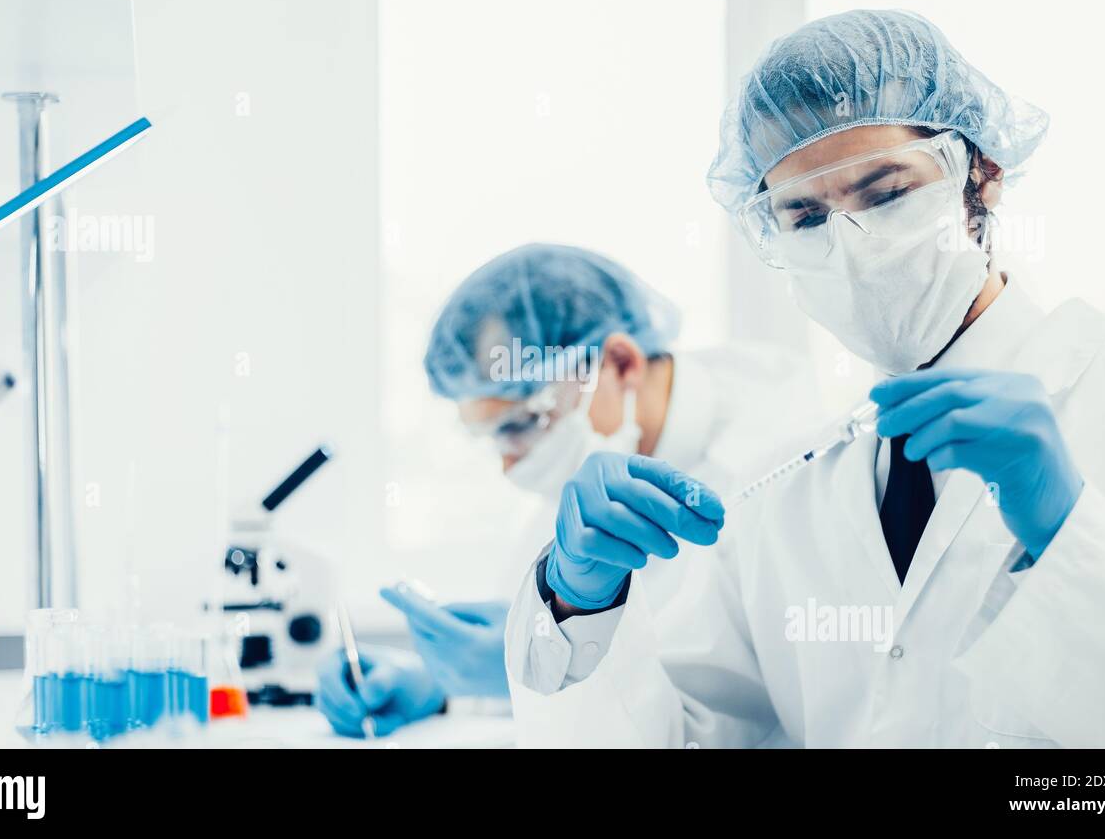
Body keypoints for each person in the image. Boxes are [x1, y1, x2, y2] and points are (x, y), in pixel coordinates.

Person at [503, 9, 1105, 747]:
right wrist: (579, 604)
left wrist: (1069, 533)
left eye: (886, 191)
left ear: (982, 173)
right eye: (803, 216)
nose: (849, 245)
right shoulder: (785, 495)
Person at [315, 243, 820, 737]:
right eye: (491, 436)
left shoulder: (777, 460)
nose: (510, 464)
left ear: (621, 364)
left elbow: (714, 713)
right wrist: (439, 686)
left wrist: (550, 664)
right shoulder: (584, 486)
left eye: (522, 423)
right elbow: (557, 702)